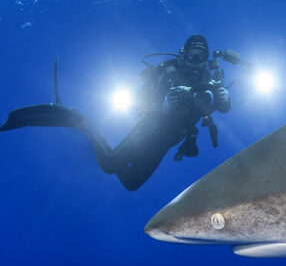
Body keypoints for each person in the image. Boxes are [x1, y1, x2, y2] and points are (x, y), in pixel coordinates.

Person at [0, 35, 235, 191]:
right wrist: (163, 103)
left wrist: (225, 101)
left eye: (201, 57)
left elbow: (219, 107)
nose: (195, 62)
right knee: (110, 165)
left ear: (206, 59)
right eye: (192, 55)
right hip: (151, 127)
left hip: (172, 138)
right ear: (183, 54)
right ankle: (80, 121)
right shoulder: (168, 72)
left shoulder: (210, 80)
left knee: (131, 184)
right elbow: (140, 99)